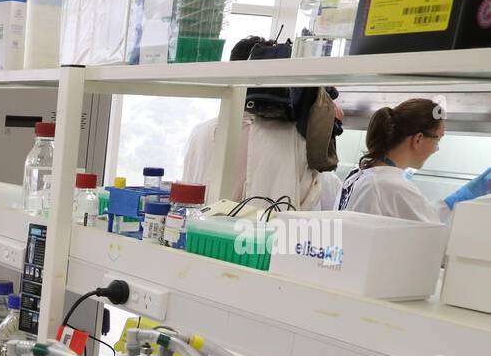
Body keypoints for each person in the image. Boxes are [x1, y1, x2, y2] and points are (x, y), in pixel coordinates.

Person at [182, 36, 342, 211]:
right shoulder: (292, 139)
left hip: (199, 231)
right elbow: (308, 202)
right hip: (259, 235)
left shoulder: (200, 132)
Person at [339, 98, 491, 224]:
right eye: (438, 139)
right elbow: (433, 237)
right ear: (418, 139)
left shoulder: (357, 175)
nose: (436, 149)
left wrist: (453, 201)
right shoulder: (393, 186)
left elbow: (418, 220)